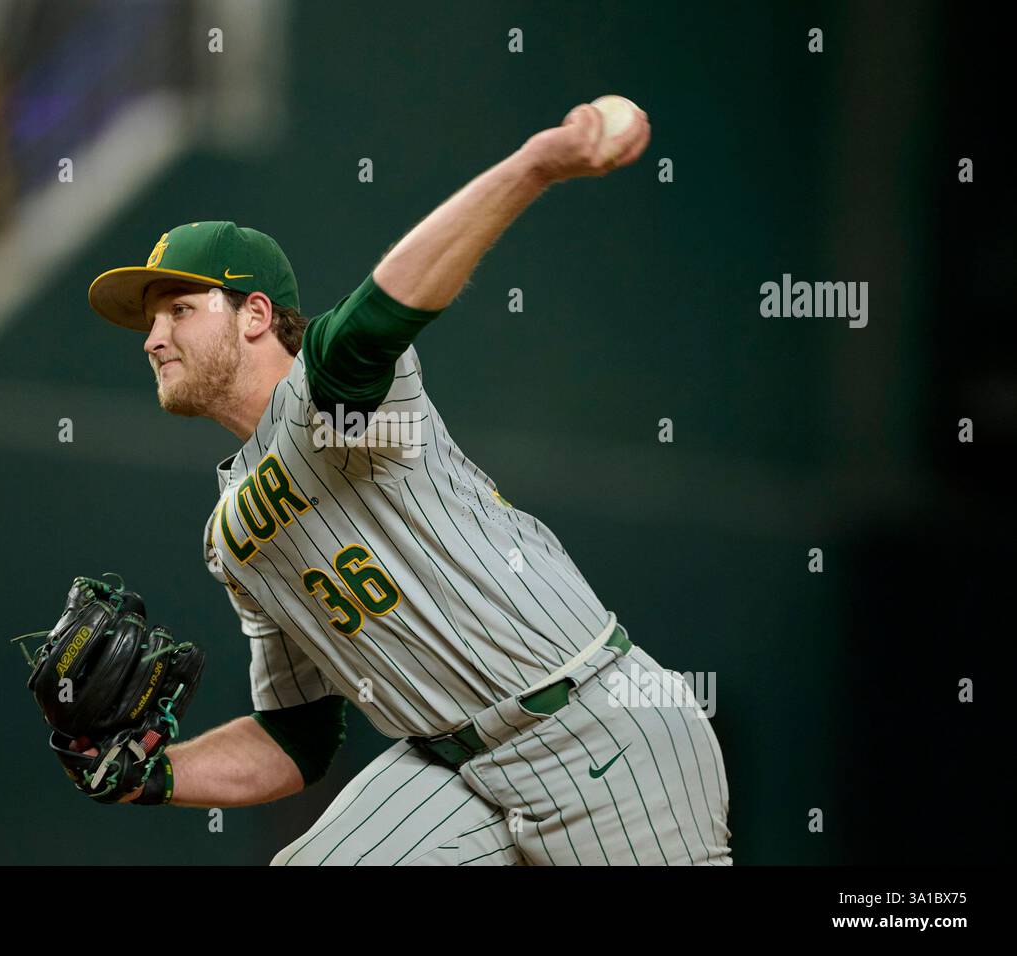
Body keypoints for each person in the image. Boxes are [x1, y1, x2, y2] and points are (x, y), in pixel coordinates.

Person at [86, 99, 731, 865]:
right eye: (150, 323)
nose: (154, 338)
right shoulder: (230, 536)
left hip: (599, 729)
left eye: (179, 311)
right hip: (451, 767)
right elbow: (296, 738)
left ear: (255, 314)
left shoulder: (334, 406)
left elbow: (375, 322)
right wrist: (151, 772)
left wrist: (533, 166)